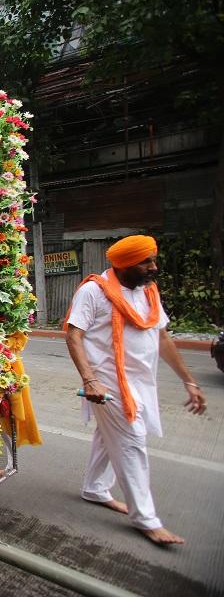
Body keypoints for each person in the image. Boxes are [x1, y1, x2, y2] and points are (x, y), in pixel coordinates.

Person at [65, 234, 207, 546]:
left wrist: (189, 381)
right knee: (131, 441)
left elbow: (163, 339)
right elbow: (74, 334)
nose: (153, 267)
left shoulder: (148, 291)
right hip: (109, 384)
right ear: (125, 264)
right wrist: (90, 379)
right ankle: (147, 519)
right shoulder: (94, 291)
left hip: (141, 382)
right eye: (146, 262)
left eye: (153, 260)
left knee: (108, 437)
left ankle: (95, 488)